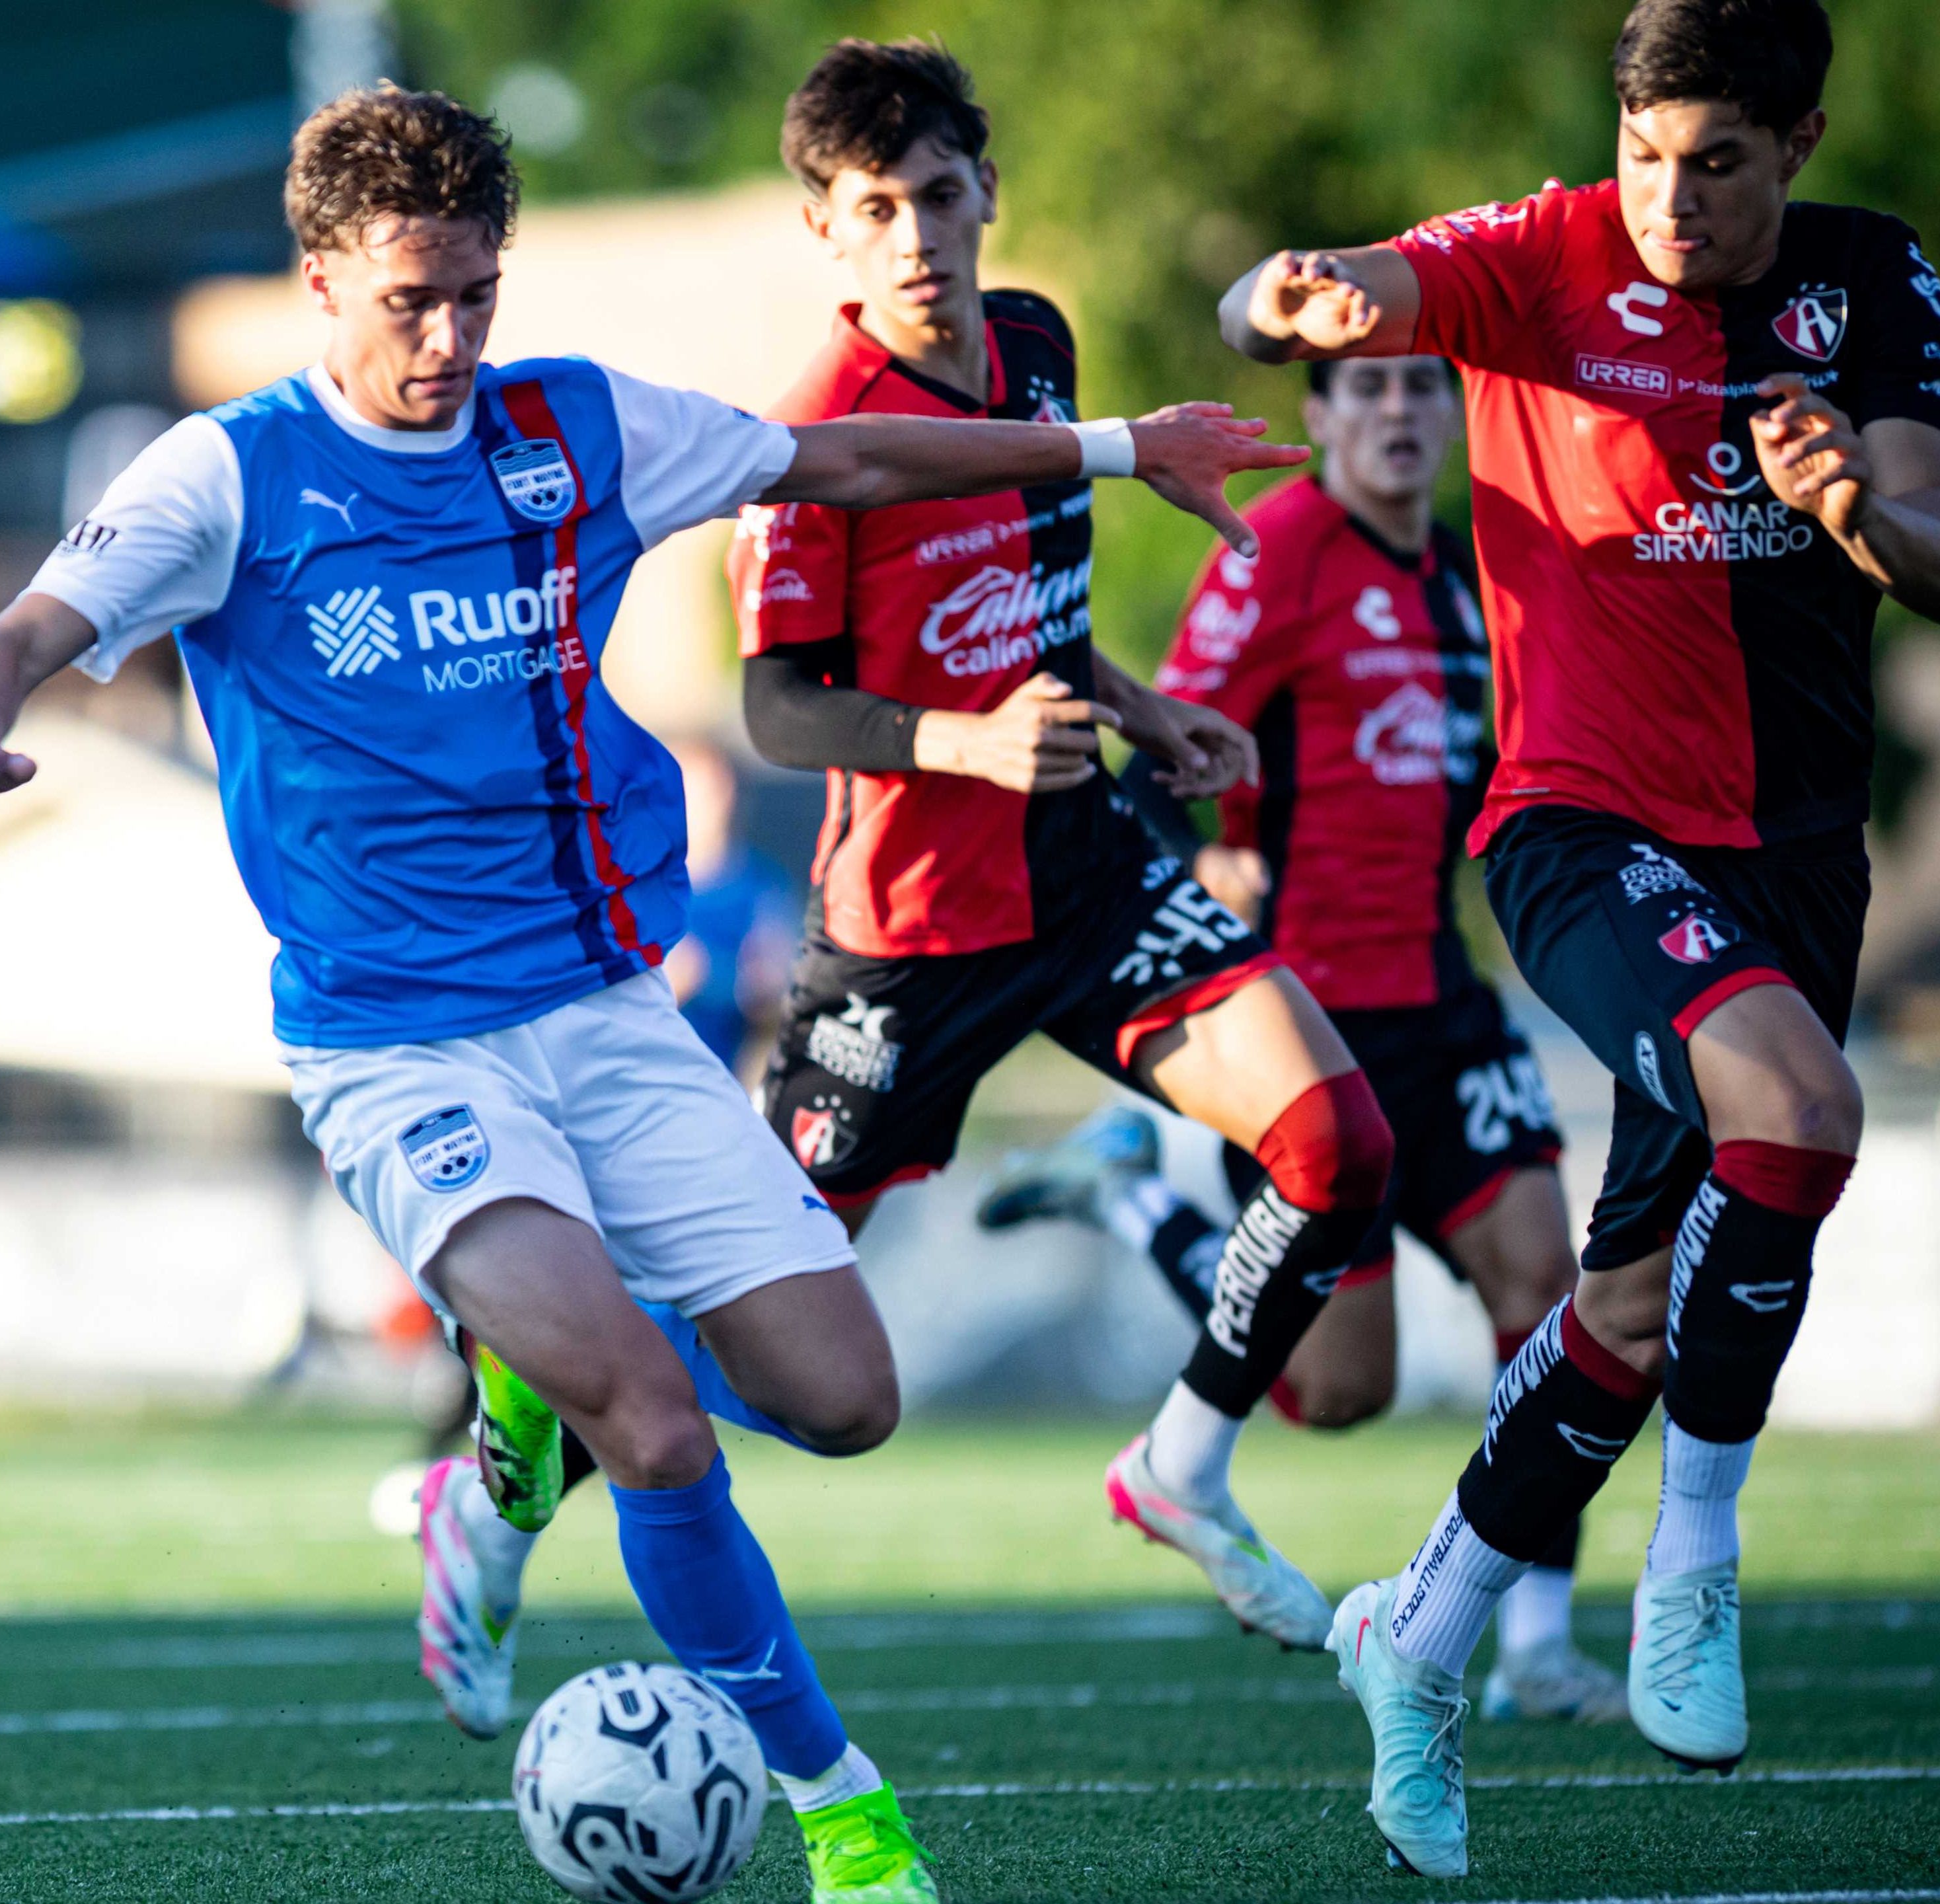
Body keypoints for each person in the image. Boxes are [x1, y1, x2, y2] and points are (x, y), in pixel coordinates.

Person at [0, 82, 1300, 1901]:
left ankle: (501, 1448)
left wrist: (1102, 451)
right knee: (655, 1413)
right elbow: (20, 633)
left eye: (476, 289)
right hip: (395, 1046)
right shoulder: (224, 476)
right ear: (320, 284)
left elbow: (842, 460)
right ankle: (840, 1811)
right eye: (410, 299)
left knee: (846, 1399)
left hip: (607, 1014)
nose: (450, 336)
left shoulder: (570, 429)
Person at [1218, 0, 1940, 1874]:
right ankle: (1695, 1563)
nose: (1666, 198)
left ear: (1794, 144)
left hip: (1796, 858)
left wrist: (1849, 506)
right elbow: (1301, 296)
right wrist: (1292, 297)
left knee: (1629, 1310)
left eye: (1711, 162)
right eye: (1643, 153)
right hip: (1576, 829)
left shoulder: (1869, 276)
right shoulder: (1539, 254)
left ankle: (1416, 1636)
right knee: (1797, 1116)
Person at [698, 38, 1400, 1654]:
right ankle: (503, 1481)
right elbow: (782, 709)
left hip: (1089, 870)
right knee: (750, 1342)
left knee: (1339, 1149)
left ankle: (1181, 1468)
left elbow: (1035, 618)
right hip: (909, 938)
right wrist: (961, 742)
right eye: (874, 209)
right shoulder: (807, 440)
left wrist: (1147, 713)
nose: (915, 238)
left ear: (987, 192)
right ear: (824, 232)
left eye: (940, 196)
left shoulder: (1033, 342)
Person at [971, 352, 1624, 1722]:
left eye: (1419, 390)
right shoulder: (1277, 556)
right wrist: (1198, 877)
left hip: (1444, 1004)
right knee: (1337, 1395)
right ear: (1318, 420)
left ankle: (1541, 1649)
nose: (1397, 413)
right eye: (1364, 392)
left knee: (1550, 1295)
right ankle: (1142, 1197)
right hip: (1313, 1025)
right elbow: (1146, 740)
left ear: (1451, 417)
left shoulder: (1464, 576)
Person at [662, 737, 800, 1077]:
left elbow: (778, 997)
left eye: (709, 791)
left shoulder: (761, 889)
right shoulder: (630, 890)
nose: (697, 806)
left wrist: (762, 987)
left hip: (719, 1081)